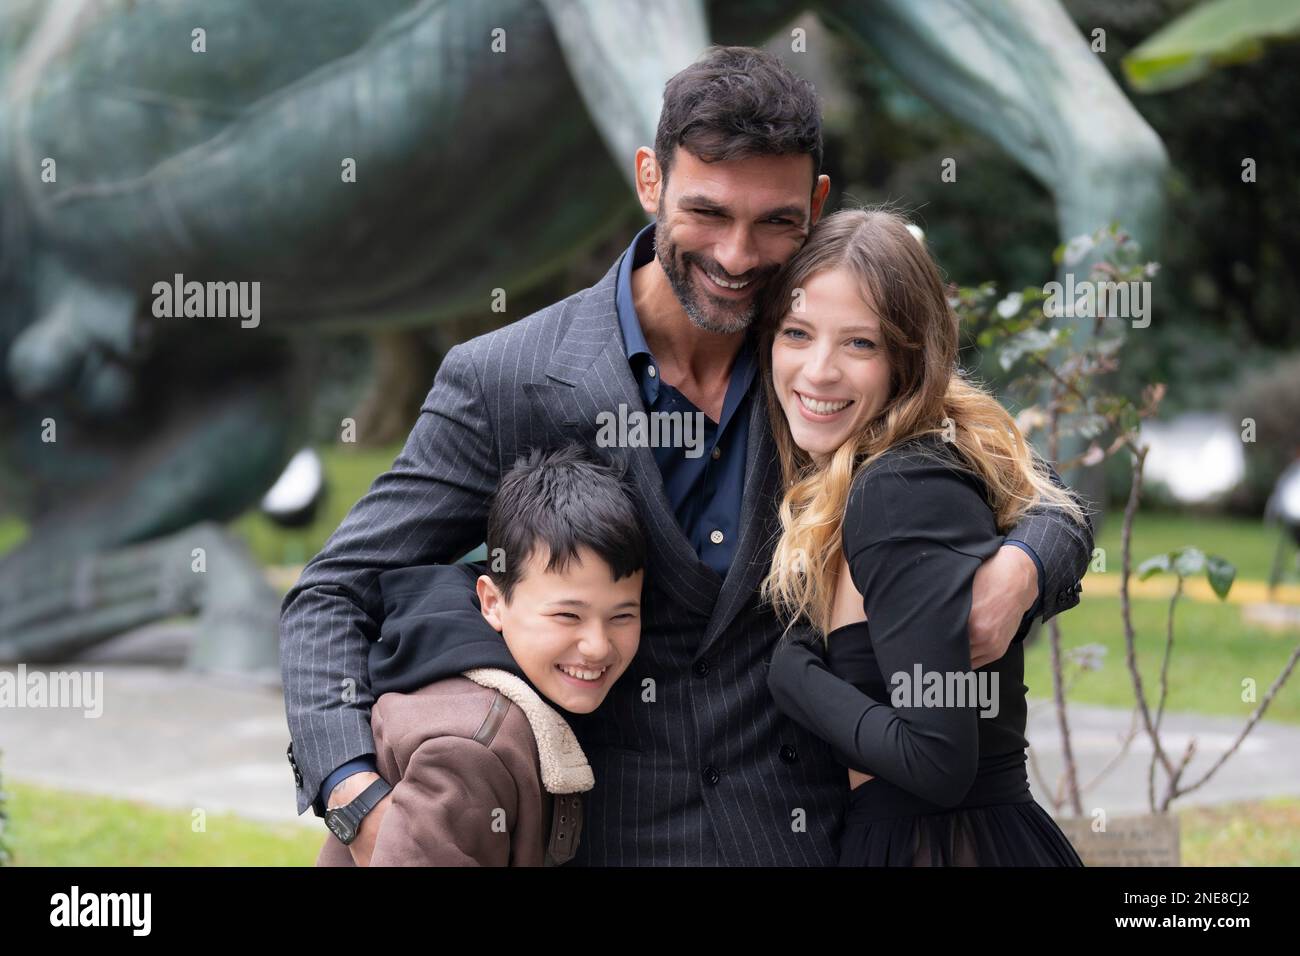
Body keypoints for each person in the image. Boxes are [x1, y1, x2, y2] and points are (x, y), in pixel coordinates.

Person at [280, 45, 1094, 866]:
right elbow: (335, 592)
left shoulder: (820, 358)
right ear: (650, 180)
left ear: (815, 203)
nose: (737, 257)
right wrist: (358, 800)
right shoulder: (506, 380)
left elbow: (1025, 484)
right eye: (707, 213)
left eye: (775, 222)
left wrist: (1023, 567)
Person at [763, 207, 1086, 865]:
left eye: (860, 343)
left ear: (907, 360)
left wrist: (794, 675)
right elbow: (1058, 503)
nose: (819, 371)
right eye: (797, 333)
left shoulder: (896, 489)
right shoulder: (883, 464)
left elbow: (936, 761)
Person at [316, 443, 645, 865]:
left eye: (622, 616)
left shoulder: (483, 689)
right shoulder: (474, 747)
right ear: (492, 602)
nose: (597, 645)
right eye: (567, 615)